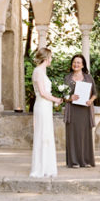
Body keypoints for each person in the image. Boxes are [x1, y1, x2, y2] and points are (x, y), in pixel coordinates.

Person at [30, 48, 63, 178]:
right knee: (42, 134)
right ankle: (40, 168)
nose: (51, 59)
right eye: (50, 57)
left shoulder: (42, 71)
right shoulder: (38, 71)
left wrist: (54, 100)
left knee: (47, 135)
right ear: (46, 58)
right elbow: (43, 93)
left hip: (46, 106)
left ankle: (47, 166)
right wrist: (56, 99)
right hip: (42, 106)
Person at [63, 54, 97, 168]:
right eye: (74, 62)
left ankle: (86, 161)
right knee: (72, 135)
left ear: (83, 65)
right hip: (72, 110)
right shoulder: (67, 78)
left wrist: (90, 101)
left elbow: (95, 94)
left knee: (85, 135)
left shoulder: (88, 77)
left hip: (85, 110)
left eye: (78, 62)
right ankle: (74, 162)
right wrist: (70, 98)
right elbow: (63, 96)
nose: (76, 64)